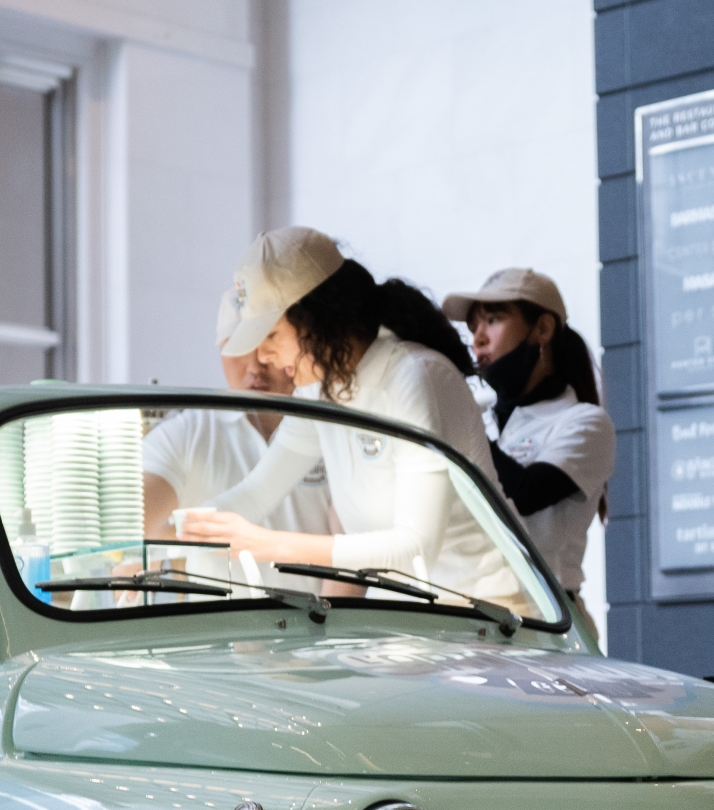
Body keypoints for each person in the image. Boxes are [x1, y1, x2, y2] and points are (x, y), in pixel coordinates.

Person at [178, 228, 510, 594]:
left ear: (316, 319)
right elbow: (257, 494)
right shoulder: (319, 389)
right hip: (415, 614)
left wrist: (269, 544)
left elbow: (415, 552)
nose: (261, 357)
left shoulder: (414, 378)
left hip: (491, 608)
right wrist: (181, 531)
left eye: (270, 335)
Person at [444, 268, 614, 611]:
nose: (478, 339)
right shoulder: (478, 417)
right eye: (474, 327)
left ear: (543, 329)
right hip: (467, 613)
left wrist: (453, 412)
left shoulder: (585, 423)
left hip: (547, 618)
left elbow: (524, 495)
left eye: (492, 320)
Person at [141, 346, 336, 539]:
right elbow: (132, 530)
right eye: (238, 347)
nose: (255, 367)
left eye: (269, 344)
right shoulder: (185, 433)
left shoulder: (330, 426)